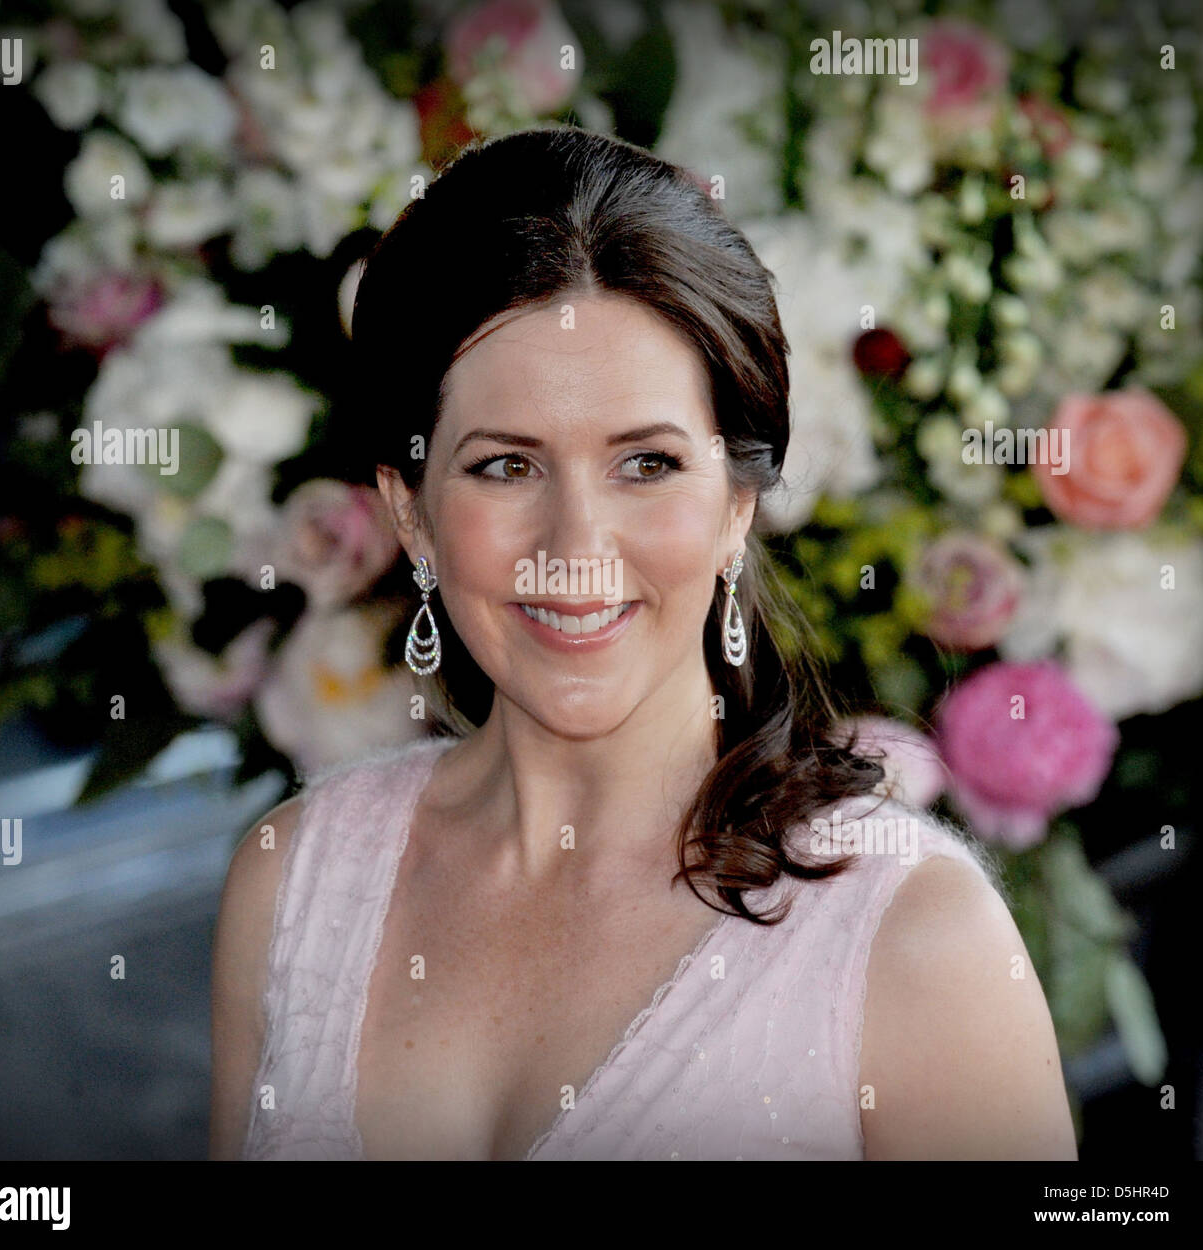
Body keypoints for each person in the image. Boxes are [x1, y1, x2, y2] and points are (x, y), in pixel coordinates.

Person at [209, 126, 1078, 1161]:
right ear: (409, 510)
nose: (578, 545)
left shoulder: (918, 941)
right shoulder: (290, 880)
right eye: (503, 466)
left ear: (737, 502)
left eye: (648, 463)